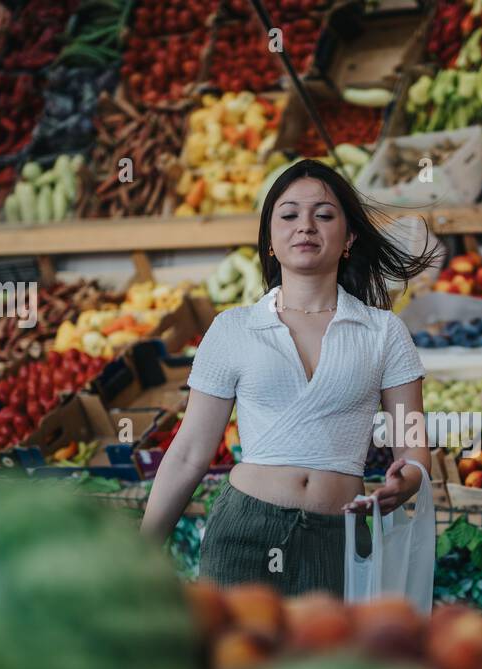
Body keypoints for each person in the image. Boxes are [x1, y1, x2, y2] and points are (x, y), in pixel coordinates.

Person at [140, 159, 441, 597]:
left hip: (341, 539)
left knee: (329, 664)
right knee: (237, 663)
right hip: (243, 533)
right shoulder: (232, 328)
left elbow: (412, 441)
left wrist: (410, 476)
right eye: (288, 215)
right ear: (269, 242)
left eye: (323, 214)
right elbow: (188, 453)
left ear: (349, 237)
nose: (306, 226)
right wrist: (141, 549)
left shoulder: (384, 332)